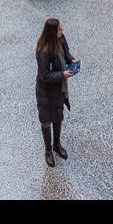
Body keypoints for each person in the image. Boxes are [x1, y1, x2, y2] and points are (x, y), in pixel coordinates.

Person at [35, 18, 76, 167]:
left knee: (58, 117)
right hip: (46, 92)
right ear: (52, 32)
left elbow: (66, 53)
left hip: (58, 89)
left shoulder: (61, 39)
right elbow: (44, 76)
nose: (62, 31)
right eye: (59, 29)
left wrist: (71, 60)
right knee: (46, 120)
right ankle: (48, 150)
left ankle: (57, 145)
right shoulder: (43, 52)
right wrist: (62, 75)